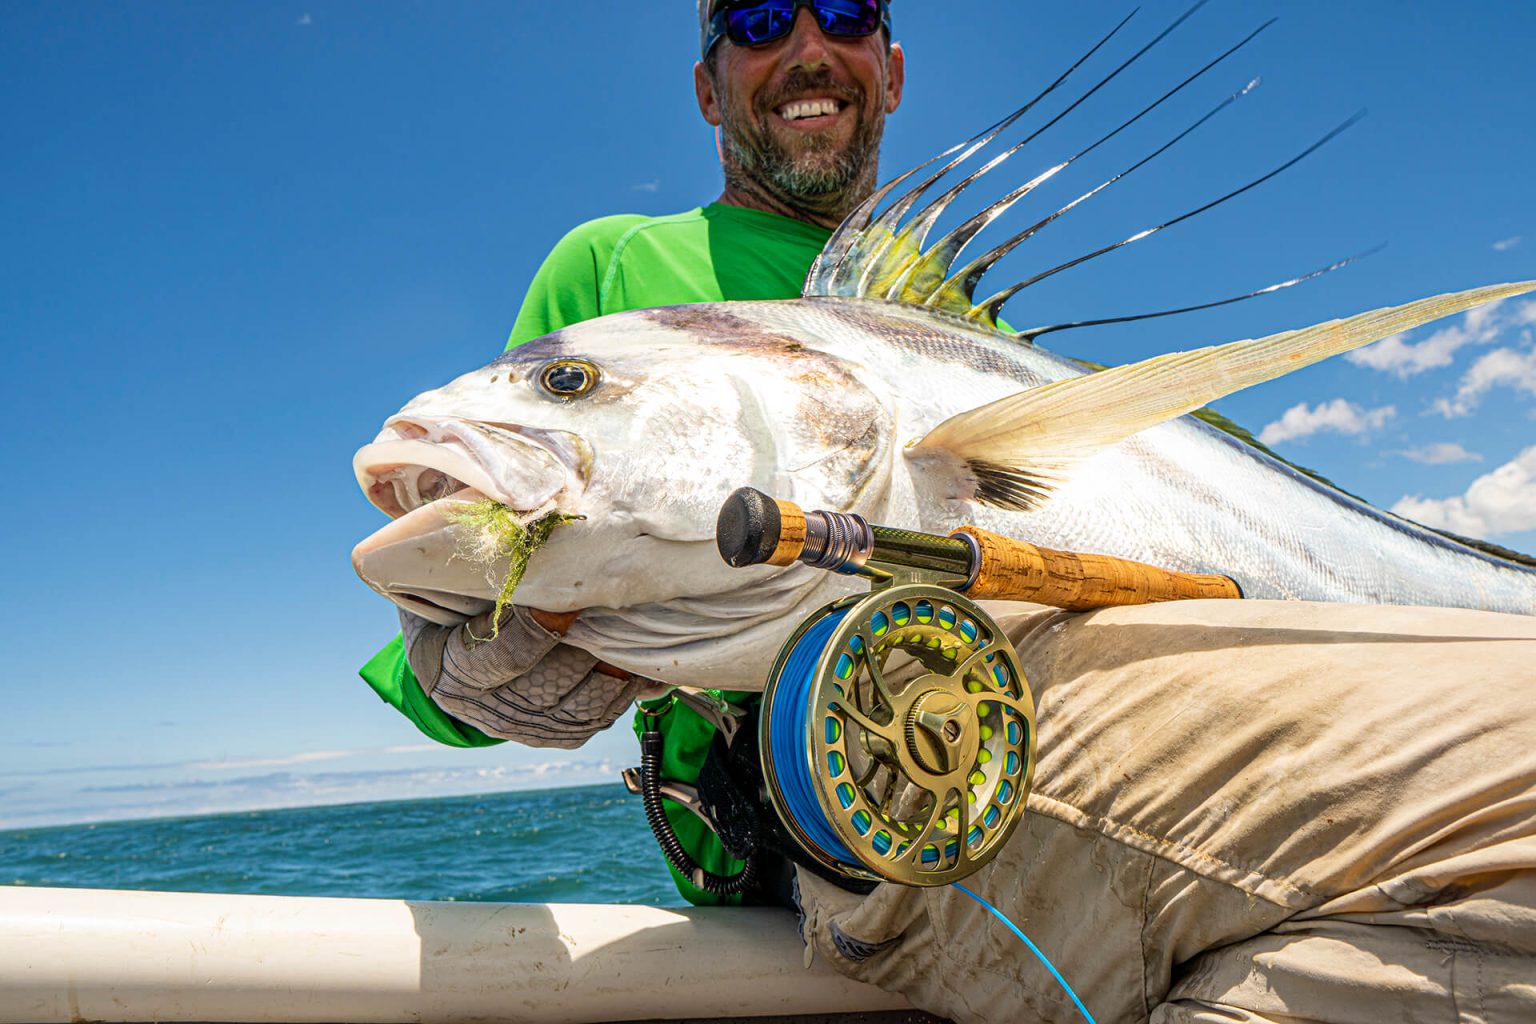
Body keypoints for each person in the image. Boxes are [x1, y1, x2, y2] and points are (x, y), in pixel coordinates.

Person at [359, 0, 906, 906]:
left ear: (889, 69)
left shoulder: (971, 317)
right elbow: (448, 655)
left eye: (844, 13)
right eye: (760, 20)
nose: (808, 48)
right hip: (818, 853)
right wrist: (456, 678)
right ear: (706, 86)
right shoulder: (613, 266)